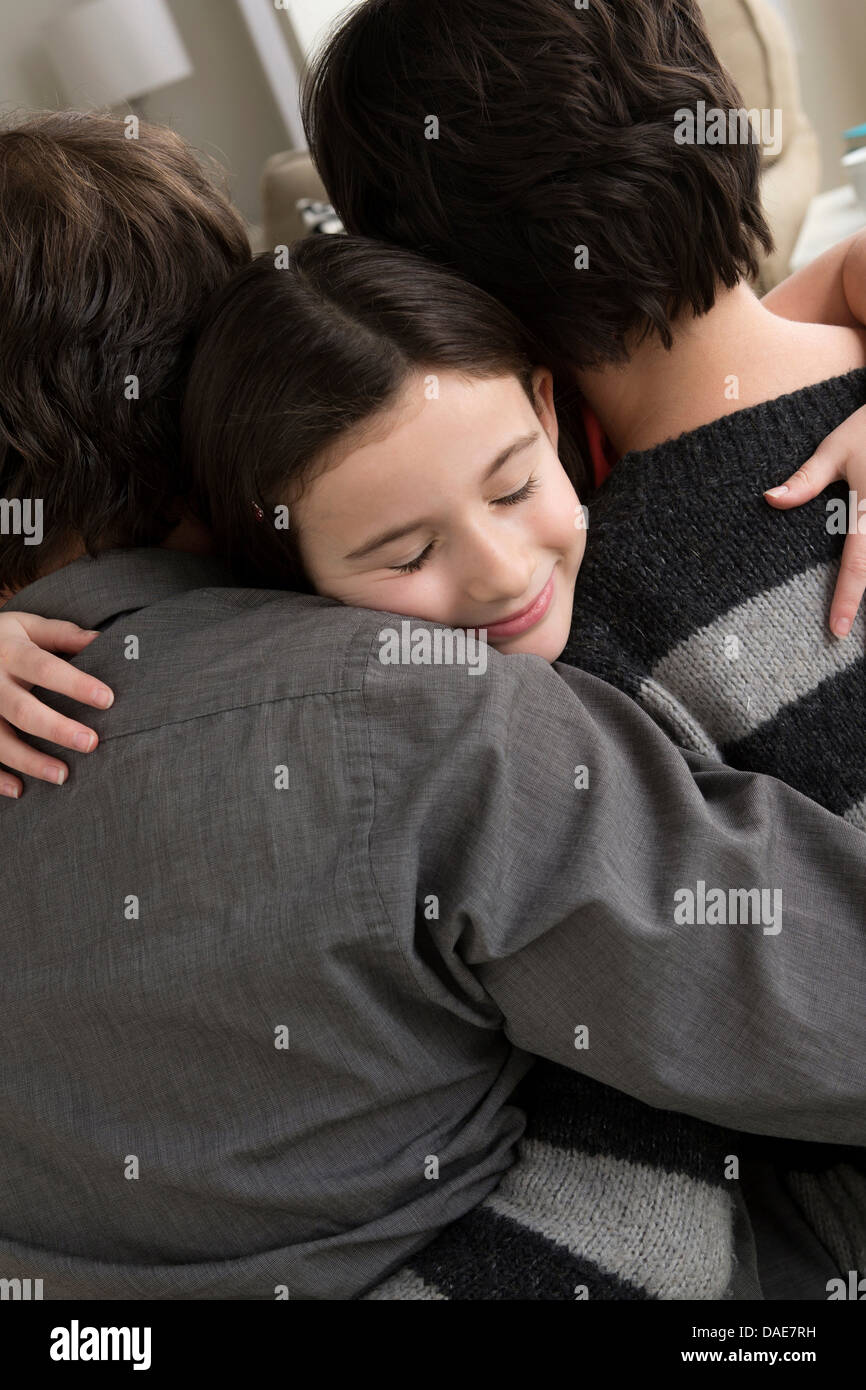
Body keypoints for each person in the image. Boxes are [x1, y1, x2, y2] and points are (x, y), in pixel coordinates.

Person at [2, 112, 866, 1300]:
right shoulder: (418, 714)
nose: (502, 575)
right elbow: (824, 1006)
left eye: (514, 482)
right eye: (400, 550)